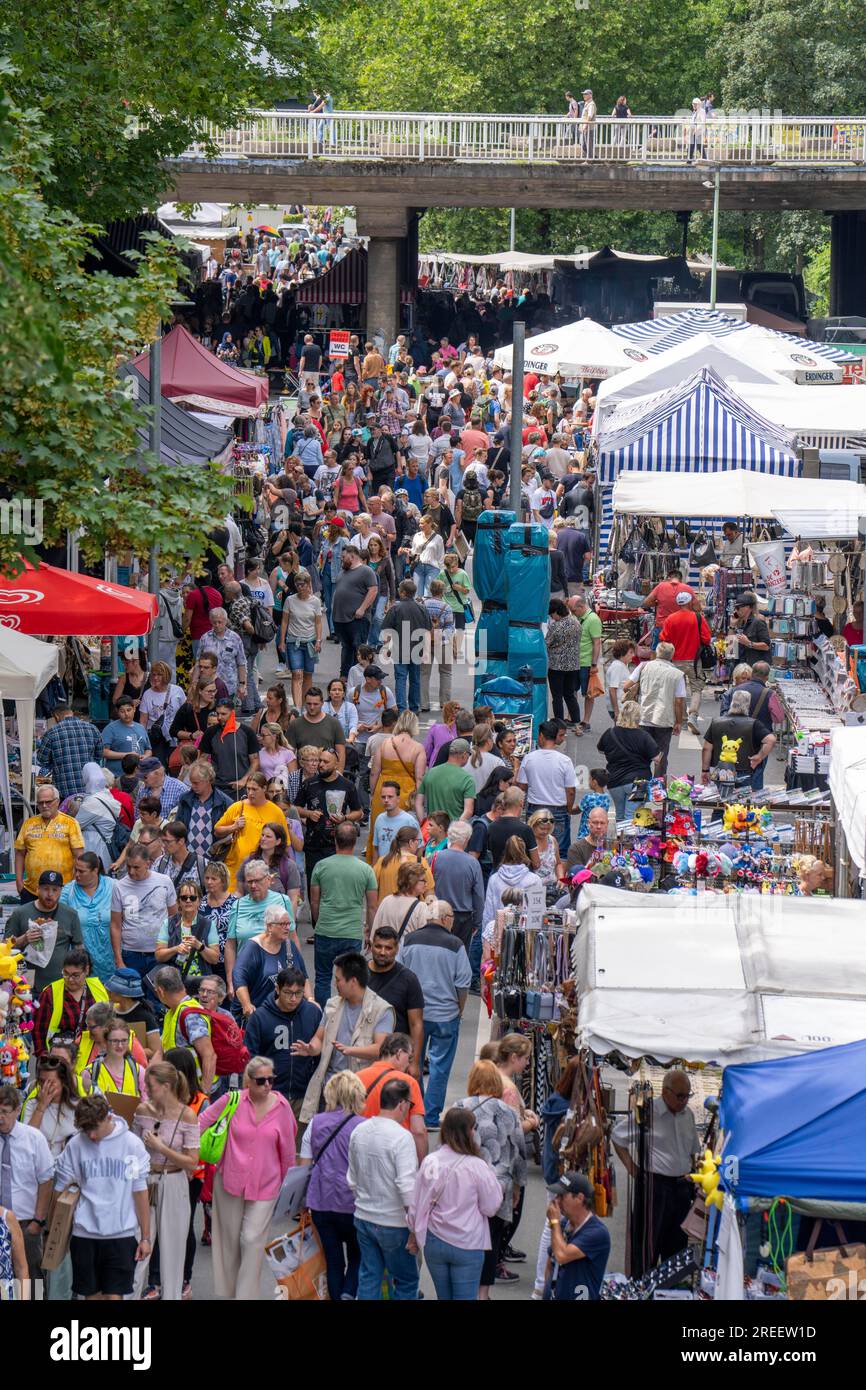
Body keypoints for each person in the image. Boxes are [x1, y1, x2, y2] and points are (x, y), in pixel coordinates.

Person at [198, 1056, 297, 1300]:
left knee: (252, 1240)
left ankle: (245, 1296)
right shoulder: (231, 1100)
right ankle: (229, 1294)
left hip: (266, 1184)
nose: (267, 1085)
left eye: (270, 1080)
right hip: (229, 1180)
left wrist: (291, 1191)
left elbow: (287, 1153)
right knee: (228, 1244)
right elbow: (200, 1123)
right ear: (248, 1081)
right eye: (261, 1080)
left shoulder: (282, 1108)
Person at [53, 1092, 151, 1301]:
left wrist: (145, 1237)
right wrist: (55, 1229)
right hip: (84, 1234)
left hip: (120, 1234)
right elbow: (60, 1186)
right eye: (86, 1131)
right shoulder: (77, 1144)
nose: (92, 1137)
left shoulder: (131, 1145)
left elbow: (140, 1191)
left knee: (114, 1296)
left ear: (108, 1117)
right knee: (91, 1296)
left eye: (94, 1129)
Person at [408, 1106, 503, 1302]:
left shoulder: (431, 1161)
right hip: (468, 1242)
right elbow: (491, 1207)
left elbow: (417, 1203)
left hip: (435, 1241)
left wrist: (413, 1233)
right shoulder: (477, 1166)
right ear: (468, 1132)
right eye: (473, 1128)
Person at [451, 1061, 526, 1299]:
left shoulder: (459, 1107)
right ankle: (483, 1292)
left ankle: (465, 1286)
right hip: (498, 1186)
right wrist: (517, 1187)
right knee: (490, 1239)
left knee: (464, 1236)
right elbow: (519, 1152)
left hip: (465, 1184)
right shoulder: (507, 1112)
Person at [612, 1068, 698, 1264]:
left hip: (682, 1187)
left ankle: (671, 1290)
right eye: (680, 1096)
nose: (684, 1100)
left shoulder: (688, 1115)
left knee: (677, 1246)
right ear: (665, 1092)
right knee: (647, 1245)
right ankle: (642, 1288)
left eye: (687, 1095)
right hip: (655, 1187)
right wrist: (633, 1169)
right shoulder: (648, 1113)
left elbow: (693, 1149)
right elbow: (617, 1136)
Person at [398, 901, 471, 1131]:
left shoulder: (409, 940)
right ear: (447, 918)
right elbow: (463, 983)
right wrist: (460, 1008)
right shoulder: (456, 944)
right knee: (440, 1066)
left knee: (413, 1062)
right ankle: (430, 1116)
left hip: (414, 1013)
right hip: (445, 1013)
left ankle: (415, 1111)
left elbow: (400, 972)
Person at [298, 951, 395, 1122]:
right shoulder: (332, 1005)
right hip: (329, 1090)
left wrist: (351, 1050)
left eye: (338, 979)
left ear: (353, 981)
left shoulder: (381, 1010)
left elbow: (382, 1049)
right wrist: (311, 1048)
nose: (335, 984)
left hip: (359, 1092)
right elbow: (319, 1038)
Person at [132, 1062, 201, 1301]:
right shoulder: (142, 1111)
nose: (147, 1090)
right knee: (138, 1242)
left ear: (166, 1086)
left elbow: (192, 1162)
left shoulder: (187, 1115)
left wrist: (162, 1148)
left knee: (173, 1250)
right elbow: (131, 1150)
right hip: (144, 1182)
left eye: (150, 1086)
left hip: (173, 1182)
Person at [347, 1077, 419, 1300]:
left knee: (369, 1276)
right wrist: (415, 1228)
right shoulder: (402, 1137)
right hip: (393, 1222)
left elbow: (352, 1179)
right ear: (402, 1104)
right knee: (406, 1281)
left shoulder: (360, 1130)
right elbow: (406, 1187)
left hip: (364, 1216)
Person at [299, 1071, 367, 1301]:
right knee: (360, 1255)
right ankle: (349, 1293)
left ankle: (339, 1296)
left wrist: (301, 1203)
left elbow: (305, 1165)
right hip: (354, 1203)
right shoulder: (364, 1126)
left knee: (333, 1260)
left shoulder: (316, 1123)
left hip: (321, 1202)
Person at [308, 824, 378, 1007]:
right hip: (351, 932)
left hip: (326, 929)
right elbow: (372, 906)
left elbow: (314, 901)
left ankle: (324, 1015)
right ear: (355, 842)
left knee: (322, 977)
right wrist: (370, 932)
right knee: (350, 978)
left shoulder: (321, 866)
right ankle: (348, 1012)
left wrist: (317, 922)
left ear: (335, 839)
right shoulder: (366, 870)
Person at [243, 967, 320, 1117]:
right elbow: (249, 1058)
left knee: (299, 1140)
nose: (293, 999)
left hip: (304, 1095)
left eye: (298, 993)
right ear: (277, 989)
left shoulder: (313, 1013)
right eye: (288, 993)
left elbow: (320, 1051)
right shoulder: (259, 1017)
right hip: (270, 1095)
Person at [0, 1081, 55, 1289]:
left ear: (17, 1111)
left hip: (26, 1222)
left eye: (5, 1112)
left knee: (31, 1277)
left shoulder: (33, 1138)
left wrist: (38, 1221)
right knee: (4, 1279)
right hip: (0, 1222)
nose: (0, 1117)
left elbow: (46, 1180)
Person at [295, 746, 363, 893]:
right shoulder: (309, 784)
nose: (321, 765)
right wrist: (308, 814)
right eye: (320, 761)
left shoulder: (347, 785)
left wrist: (345, 817)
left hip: (337, 845)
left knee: (335, 888)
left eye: (326, 762)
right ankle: (315, 917)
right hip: (313, 845)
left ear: (336, 764)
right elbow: (296, 808)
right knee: (314, 888)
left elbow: (359, 813)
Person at [4, 870, 83, 995]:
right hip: (27, 984)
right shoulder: (20, 913)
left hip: (60, 984)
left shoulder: (70, 915)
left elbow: (79, 949)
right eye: (46, 889)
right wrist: (24, 938)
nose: (50, 894)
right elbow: (5, 948)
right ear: (37, 889)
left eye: (55, 890)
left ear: (61, 891)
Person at [109, 844, 177, 984]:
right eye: (128, 867)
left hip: (160, 952)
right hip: (131, 953)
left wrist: (172, 949)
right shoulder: (119, 886)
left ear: (148, 863)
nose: (131, 872)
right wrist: (118, 959)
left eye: (136, 867)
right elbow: (115, 924)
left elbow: (174, 917)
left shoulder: (164, 881)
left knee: (160, 997)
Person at [211, 771, 288, 893]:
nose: (250, 793)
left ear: (264, 788)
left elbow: (285, 844)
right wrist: (233, 827)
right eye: (248, 789)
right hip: (235, 870)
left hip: (264, 872)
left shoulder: (276, 812)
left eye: (254, 789)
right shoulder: (238, 807)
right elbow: (217, 830)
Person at [356, 1034, 427, 1162]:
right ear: (399, 1053)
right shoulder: (408, 1083)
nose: (409, 1064)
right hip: (397, 1153)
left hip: (362, 1151)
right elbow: (419, 1130)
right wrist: (423, 1167)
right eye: (409, 1058)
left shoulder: (357, 1078)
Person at [233, 901, 310, 1018]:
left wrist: (310, 999)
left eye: (288, 924)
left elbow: (304, 976)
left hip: (286, 1011)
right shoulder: (253, 948)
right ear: (269, 926)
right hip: (259, 1013)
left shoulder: (290, 946)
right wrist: (247, 1004)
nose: (287, 928)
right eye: (282, 924)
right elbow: (239, 978)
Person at [545, 1172, 612, 1301]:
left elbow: (562, 1255)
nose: (556, 1201)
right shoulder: (564, 1225)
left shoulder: (597, 1233)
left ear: (580, 1198)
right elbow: (551, 1261)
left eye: (562, 1196)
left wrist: (554, 1222)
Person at [623, 641, 686, 776]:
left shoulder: (644, 666)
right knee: (661, 755)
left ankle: (641, 782)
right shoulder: (677, 674)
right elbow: (679, 701)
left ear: (657, 653)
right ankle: (658, 787)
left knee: (641, 753)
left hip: (644, 716)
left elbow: (626, 685)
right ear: (671, 655)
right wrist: (679, 722)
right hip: (665, 719)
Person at [516, 719, 577, 857]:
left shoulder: (529, 758)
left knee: (533, 848)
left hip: (535, 809)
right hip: (559, 810)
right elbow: (571, 790)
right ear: (556, 737)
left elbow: (522, 787)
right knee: (560, 851)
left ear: (541, 736)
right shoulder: (564, 761)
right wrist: (568, 808)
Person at [154, 967, 218, 1096]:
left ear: (160, 991)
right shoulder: (171, 1013)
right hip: (182, 1089)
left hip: (198, 1091)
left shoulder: (191, 1015)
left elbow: (209, 1056)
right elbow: (161, 1051)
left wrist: (204, 1094)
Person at [15, 784, 84, 902]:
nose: (44, 806)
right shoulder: (28, 824)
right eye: (40, 802)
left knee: (60, 921)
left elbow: (79, 856)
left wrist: (73, 885)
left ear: (57, 802)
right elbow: (20, 854)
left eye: (48, 802)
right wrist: (19, 883)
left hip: (62, 891)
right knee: (31, 921)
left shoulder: (70, 823)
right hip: (31, 890)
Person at [659, 591, 711, 736]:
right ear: (689, 602)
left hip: (674, 661)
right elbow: (706, 639)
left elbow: (663, 637)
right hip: (694, 661)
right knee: (696, 689)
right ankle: (693, 716)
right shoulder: (698, 618)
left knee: (678, 691)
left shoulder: (670, 619)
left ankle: (682, 721)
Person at [701, 688, 776, 788]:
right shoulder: (754, 724)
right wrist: (759, 756)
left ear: (732, 702)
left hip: (720, 770)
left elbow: (707, 748)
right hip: (745, 771)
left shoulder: (716, 722)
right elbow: (771, 740)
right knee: (744, 802)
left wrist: (705, 770)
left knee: (719, 799)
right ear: (748, 705)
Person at [597, 701, 659, 820]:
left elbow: (601, 750)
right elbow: (656, 758)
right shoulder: (644, 736)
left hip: (614, 781)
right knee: (632, 817)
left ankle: (621, 837)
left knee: (620, 816)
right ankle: (629, 838)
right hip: (639, 783)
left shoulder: (610, 733)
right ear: (638, 717)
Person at [430, 821, 484, 956]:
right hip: (463, 917)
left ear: (449, 836)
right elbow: (478, 896)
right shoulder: (473, 863)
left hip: (438, 913)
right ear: (467, 839)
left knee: (438, 953)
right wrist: (477, 922)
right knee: (460, 955)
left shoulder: (435, 857)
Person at [380, 578, 432, 713]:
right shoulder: (422, 608)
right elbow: (427, 631)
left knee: (401, 679)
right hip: (417, 649)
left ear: (402, 592)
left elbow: (387, 631)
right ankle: (415, 707)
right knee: (415, 679)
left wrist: (386, 647)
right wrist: (426, 651)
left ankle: (402, 708)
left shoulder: (395, 608)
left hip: (399, 649)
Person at [35, 704, 103, 802]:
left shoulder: (52, 732)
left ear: (56, 716)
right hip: (89, 789)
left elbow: (42, 760)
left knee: (66, 817)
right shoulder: (93, 729)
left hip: (64, 790)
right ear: (71, 713)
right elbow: (99, 756)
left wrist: (56, 764)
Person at [331, 546, 379, 679]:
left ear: (352, 557)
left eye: (344, 556)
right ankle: (345, 676)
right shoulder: (342, 572)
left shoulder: (366, 571)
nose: (341, 558)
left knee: (359, 648)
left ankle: (362, 677)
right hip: (341, 619)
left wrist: (362, 608)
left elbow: (373, 590)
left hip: (357, 618)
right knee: (346, 648)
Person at [174, 760, 232, 861]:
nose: (193, 786)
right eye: (192, 782)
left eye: (196, 783)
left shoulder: (225, 802)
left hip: (214, 858)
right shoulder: (185, 799)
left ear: (208, 780)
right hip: (187, 857)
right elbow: (178, 827)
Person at [415, 739, 475, 827]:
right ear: (464, 755)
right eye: (469, 755)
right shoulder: (467, 779)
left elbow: (418, 803)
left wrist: (425, 824)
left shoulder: (430, 773)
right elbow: (468, 811)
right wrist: (456, 828)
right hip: (452, 831)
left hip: (432, 829)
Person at [285, 686, 347, 770]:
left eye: (315, 704)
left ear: (322, 703)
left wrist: (339, 774)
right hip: (304, 775)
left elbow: (341, 753)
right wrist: (294, 777)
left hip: (327, 774)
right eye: (309, 704)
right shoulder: (295, 724)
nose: (312, 707)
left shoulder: (334, 723)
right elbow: (289, 754)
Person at [138, 662, 186, 767]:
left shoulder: (177, 691)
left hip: (174, 735)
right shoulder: (147, 694)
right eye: (153, 674)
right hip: (156, 737)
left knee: (175, 765)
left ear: (166, 675)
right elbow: (143, 721)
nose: (155, 678)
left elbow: (185, 714)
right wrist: (144, 742)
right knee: (160, 766)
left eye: (159, 675)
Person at [86, 1017, 146, 1096]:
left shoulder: (138, 1072)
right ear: (105, 1042)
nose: (120, 1046)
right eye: (115, 1041)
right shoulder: (90, 1073)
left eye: (124, 1040)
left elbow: (146, 1102)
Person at [198, 607, 248, 701]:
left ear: (225, 621)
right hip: (207, 688)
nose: (217, 625)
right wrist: (194, 683)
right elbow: (198, 662)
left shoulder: (235, 638)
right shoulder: (205, 638)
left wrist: (242, 685)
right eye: (214, 622)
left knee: (227, 714)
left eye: (220, 622)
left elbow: (241, 663)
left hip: (229, 688)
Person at [545, 599, 582, 726]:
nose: (552, 617)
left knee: (557, 697)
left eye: (551, 615)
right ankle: (576, 720)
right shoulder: (576, 622)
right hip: (573, 665)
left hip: (557, 666)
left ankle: (559, 723)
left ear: (556, 612)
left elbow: (547, 643)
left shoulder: (556, 626)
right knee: (570, 695)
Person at [570, 595, 603, 734]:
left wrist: (594, 664)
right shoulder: (578, 618)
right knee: (571, 691)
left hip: (586, 662)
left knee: (588, 693)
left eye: (574, 610)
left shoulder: (593, 619)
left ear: (581, 607)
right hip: (575, 661)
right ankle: (572, 717)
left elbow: (597, 643)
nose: (572, 613)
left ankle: (586, 720)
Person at [369, 782, 420, 865]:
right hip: (383, 870)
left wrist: (413, 869)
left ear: (398, 799)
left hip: (403, 870)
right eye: (383, 797)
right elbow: (376, 848)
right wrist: (375, 870)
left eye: (390, 797)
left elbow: (419, 848)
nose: (386, 800)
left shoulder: (409, 820)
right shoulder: (379, 819)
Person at [101, 697, 152, 766]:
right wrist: (126, 755)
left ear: (134, 709)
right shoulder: (110, 729)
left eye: (129, 710)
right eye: (122, 711)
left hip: (139, 773)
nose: (126, 714)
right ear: (117, 712)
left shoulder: (141, 728)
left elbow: (148, 749)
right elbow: (104, 752)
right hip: (118, 774)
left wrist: (145, 756)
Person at [729, 592, 771, 667]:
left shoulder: (758, 622)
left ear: (748, 608)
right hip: (740, 666)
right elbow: (730, 649)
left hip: (754, 668)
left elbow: (766, 646)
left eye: (738, 607)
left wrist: (748, 643)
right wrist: (732, 626)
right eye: (735, 608)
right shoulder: (739, 624)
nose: (736, 610)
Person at [564, 806, 610, 873]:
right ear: (588, 823)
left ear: (607, 824)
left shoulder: (612, 847)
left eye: (602, 823)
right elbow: (575, 878)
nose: (599, 827)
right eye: (595, 822)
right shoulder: (576, 849)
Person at [528, 810, 563, 889]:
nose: (545, 832)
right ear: (533, 825)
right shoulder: (528, 841)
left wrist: (561, 879)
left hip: (552, 886)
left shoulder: (552, 840)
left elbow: (558, 863)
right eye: (542, 828)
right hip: (533, 888)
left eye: (548, 829)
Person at [576, 769, 611, 840]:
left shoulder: (588, 797)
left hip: (585, 834)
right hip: (600, 834)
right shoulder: (607, 798)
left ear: (594, 782)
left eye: (589, 779)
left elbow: (577, 809)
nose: (588, 781)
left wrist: (569, 809)